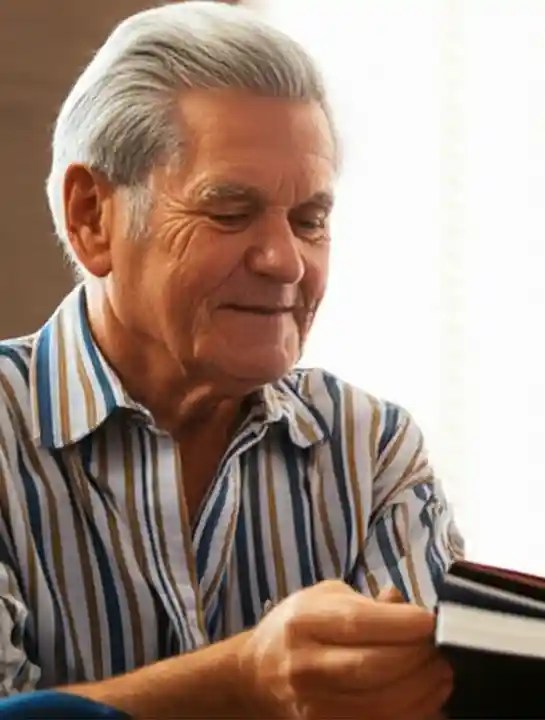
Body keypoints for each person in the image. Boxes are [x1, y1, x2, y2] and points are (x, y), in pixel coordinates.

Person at [0, 2, 463, 717]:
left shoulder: (373, 453)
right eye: (229, 212)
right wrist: (242, 680)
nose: (285, 261)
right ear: (93, 216)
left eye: (311, 220)